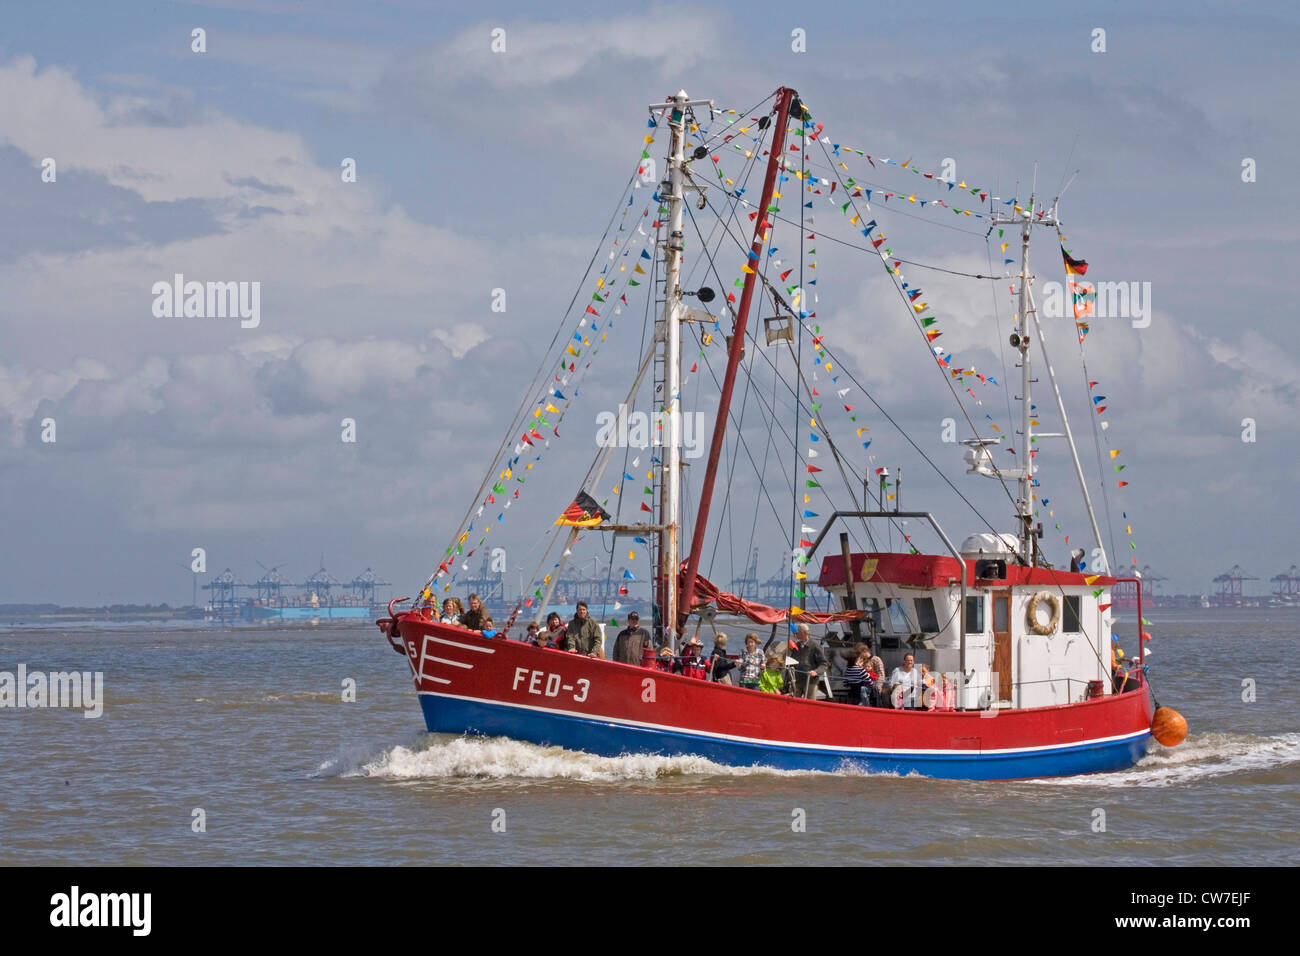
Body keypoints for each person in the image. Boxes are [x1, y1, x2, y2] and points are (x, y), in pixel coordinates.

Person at [790, 623, 827, 700]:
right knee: (795, 702)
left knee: (810, 704)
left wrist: (816, 672)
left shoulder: (815, 646)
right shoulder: (797, 645)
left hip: (810, 681)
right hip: (797, 680)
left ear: (804, 633)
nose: (795, 634)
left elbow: (823, 664)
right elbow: (792, 660)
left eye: (797, 632)